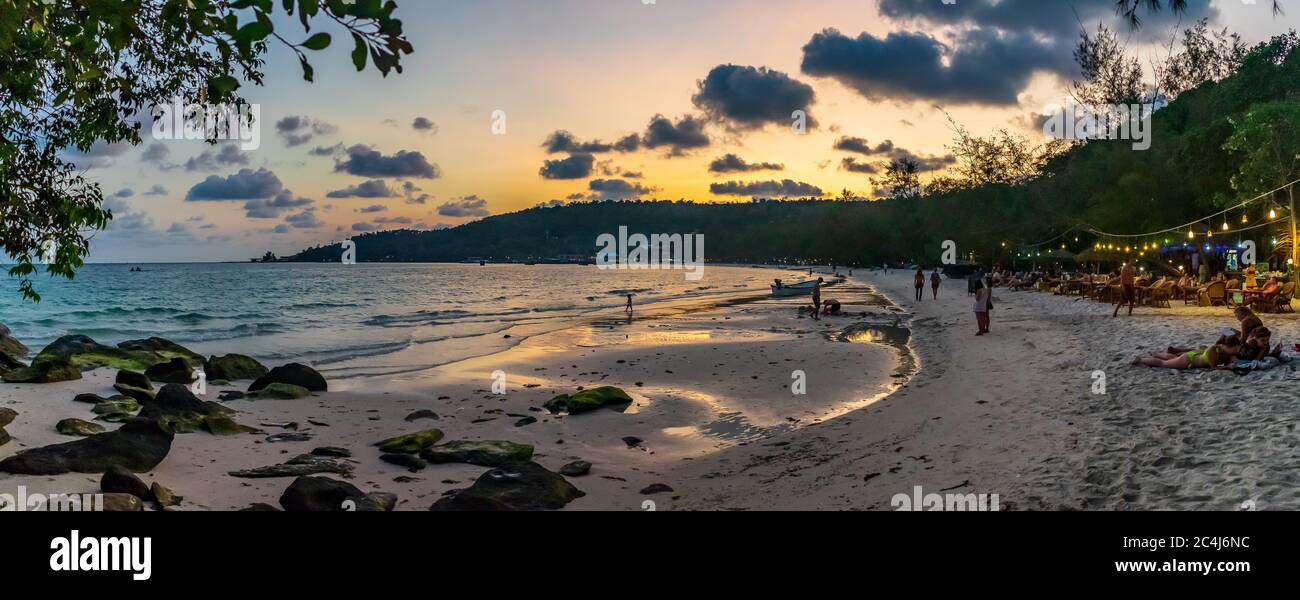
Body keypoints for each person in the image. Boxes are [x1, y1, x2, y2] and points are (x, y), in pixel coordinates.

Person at [1134, 335, 1243, 370]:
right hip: (1189, 360)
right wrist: (1228, 367)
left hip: (1194, 356)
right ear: (1228, 347)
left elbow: (1232, 359)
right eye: (1235, 349)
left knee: (1171, 358)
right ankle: (1141, 359)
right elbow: (1213, 368)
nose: (1236, 351)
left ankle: (1156, 354)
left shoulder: (1224, 350)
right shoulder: (1213, 350)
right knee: (1163, 364)